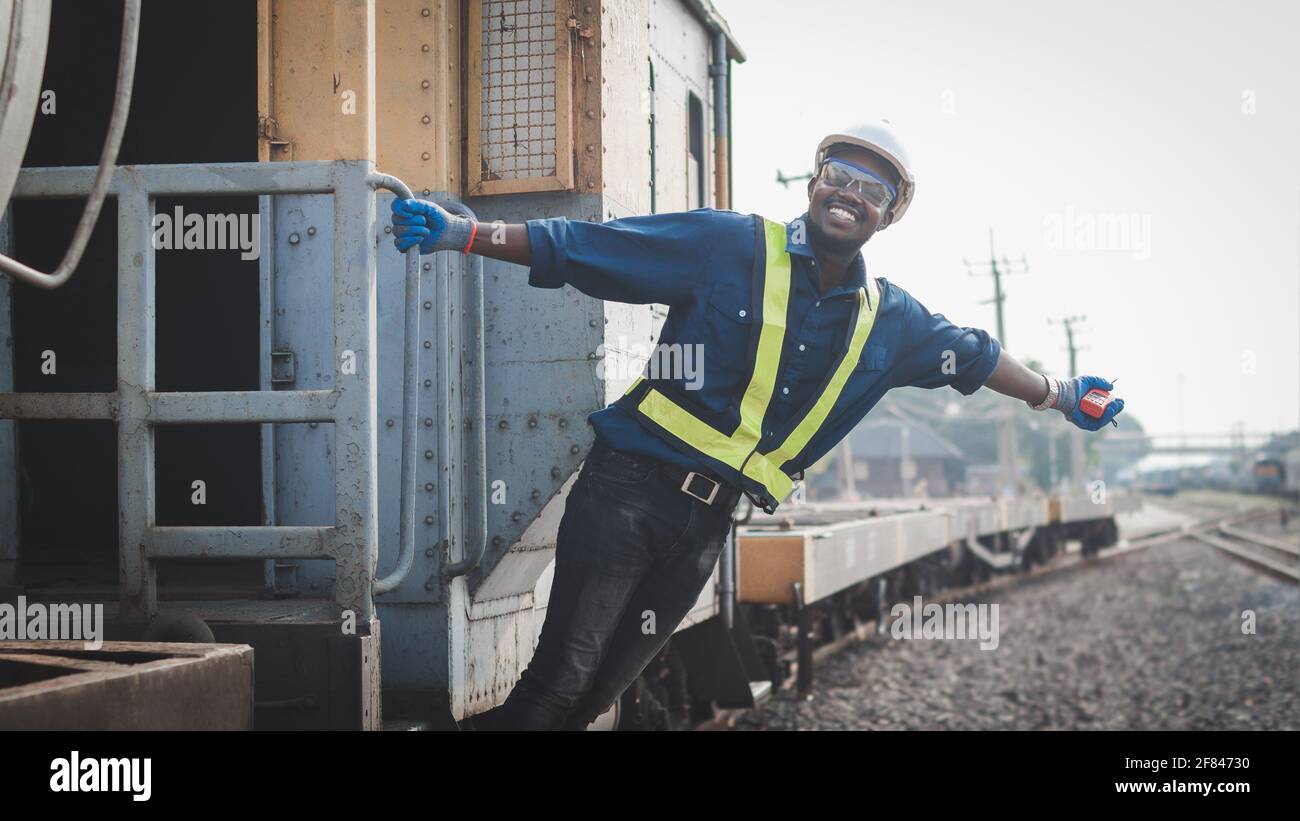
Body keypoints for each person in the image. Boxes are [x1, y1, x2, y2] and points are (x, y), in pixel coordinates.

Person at [389, 121, 1125, 730]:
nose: (850, 194)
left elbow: (975, 353)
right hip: (627, 494)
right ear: (814, 184)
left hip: (708, 525)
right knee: (557, 685)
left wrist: (1059, 393)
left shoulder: (892, 321)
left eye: (874, 190)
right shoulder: (730, 244)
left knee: (592, 698)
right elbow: (592, 249)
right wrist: (464, 233)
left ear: (888, 215)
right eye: (839, 174)